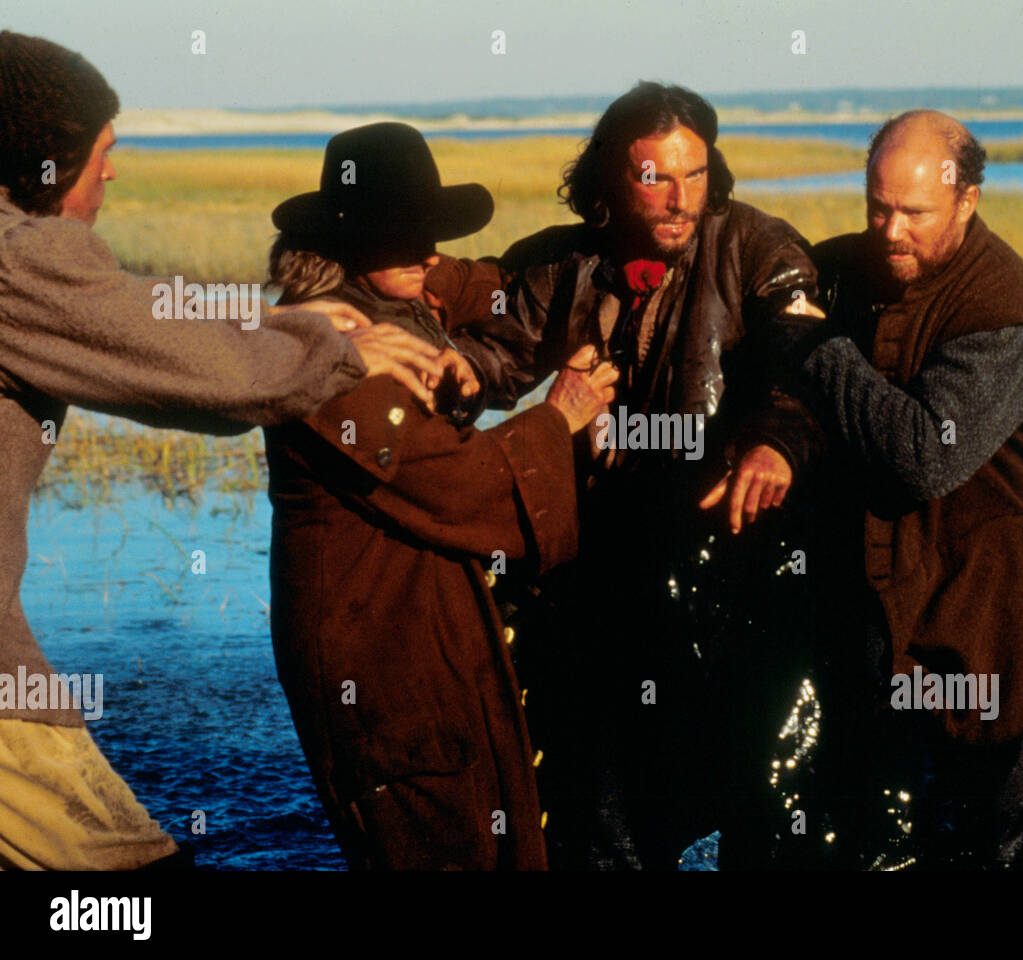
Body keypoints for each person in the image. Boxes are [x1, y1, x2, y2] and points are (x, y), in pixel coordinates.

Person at [0, 32, 456, 871]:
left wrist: (279, 321)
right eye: (103, 151)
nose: (112, 173)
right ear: (47, 161)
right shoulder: (15, 259)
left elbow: (134, 321)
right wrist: (336, 352)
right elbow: (193, 368)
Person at [447, 81, 826, 869]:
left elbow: (806, 365)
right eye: (656, 178)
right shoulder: (569, 263)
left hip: (732, 557)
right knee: (601, 799)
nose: (680, 199)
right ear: (612, 183)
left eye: (695, 174)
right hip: (613, 561)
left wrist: (775, 441)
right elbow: (502, 351)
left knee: (767, 791)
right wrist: (452, 370)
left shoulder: (760, 248)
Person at [262, 122, 618, 869]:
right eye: (407, 237)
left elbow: (467, 282)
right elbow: (464, 488)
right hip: (380, 659)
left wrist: (602, 242)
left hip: (414, 634)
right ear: (348, 245)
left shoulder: (386, 297)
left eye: (431, 235)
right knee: (435, 834)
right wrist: (560, 416)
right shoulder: (330, 355)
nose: (428, 253)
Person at [791, 109, 1023, 869]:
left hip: (1005, 623)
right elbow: (767, 286)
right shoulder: (845, 271)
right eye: (877, 209)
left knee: (999, 853)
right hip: (894, 610)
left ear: (967, 200)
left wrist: (816, 346)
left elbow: (924, 454)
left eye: (914, 214)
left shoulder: (1005, 311)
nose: (891, 232)